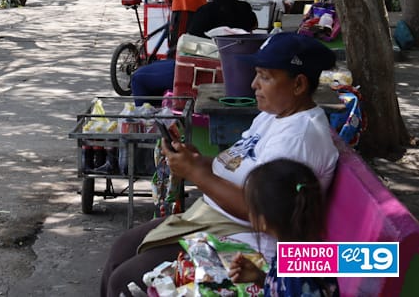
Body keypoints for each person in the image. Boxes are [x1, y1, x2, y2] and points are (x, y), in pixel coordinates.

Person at [101, 32, 339, 297]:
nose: (253, 85)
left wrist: (196, 173)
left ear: (298, 85)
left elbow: (263, 210)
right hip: (215, 217)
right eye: (256, 74)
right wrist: (196, 160)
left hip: (244, 238)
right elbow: (237, 162)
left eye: (265, 77)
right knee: (121, 249)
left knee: (124, 281)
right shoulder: (275, 115)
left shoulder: (299, 139)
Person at [130, 0, 257, 100]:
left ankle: (148, 118)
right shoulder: (244, 8)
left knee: (138, 77)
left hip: (201, 72)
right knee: (157, 67)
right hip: (238, 73)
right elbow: (254, 25)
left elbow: (188, 45)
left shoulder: (205, 12)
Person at [229, 159, 340, 297]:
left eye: (250, 207)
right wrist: (260, 277)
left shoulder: (294, 274)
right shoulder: (312, 251)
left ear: (262, 221)